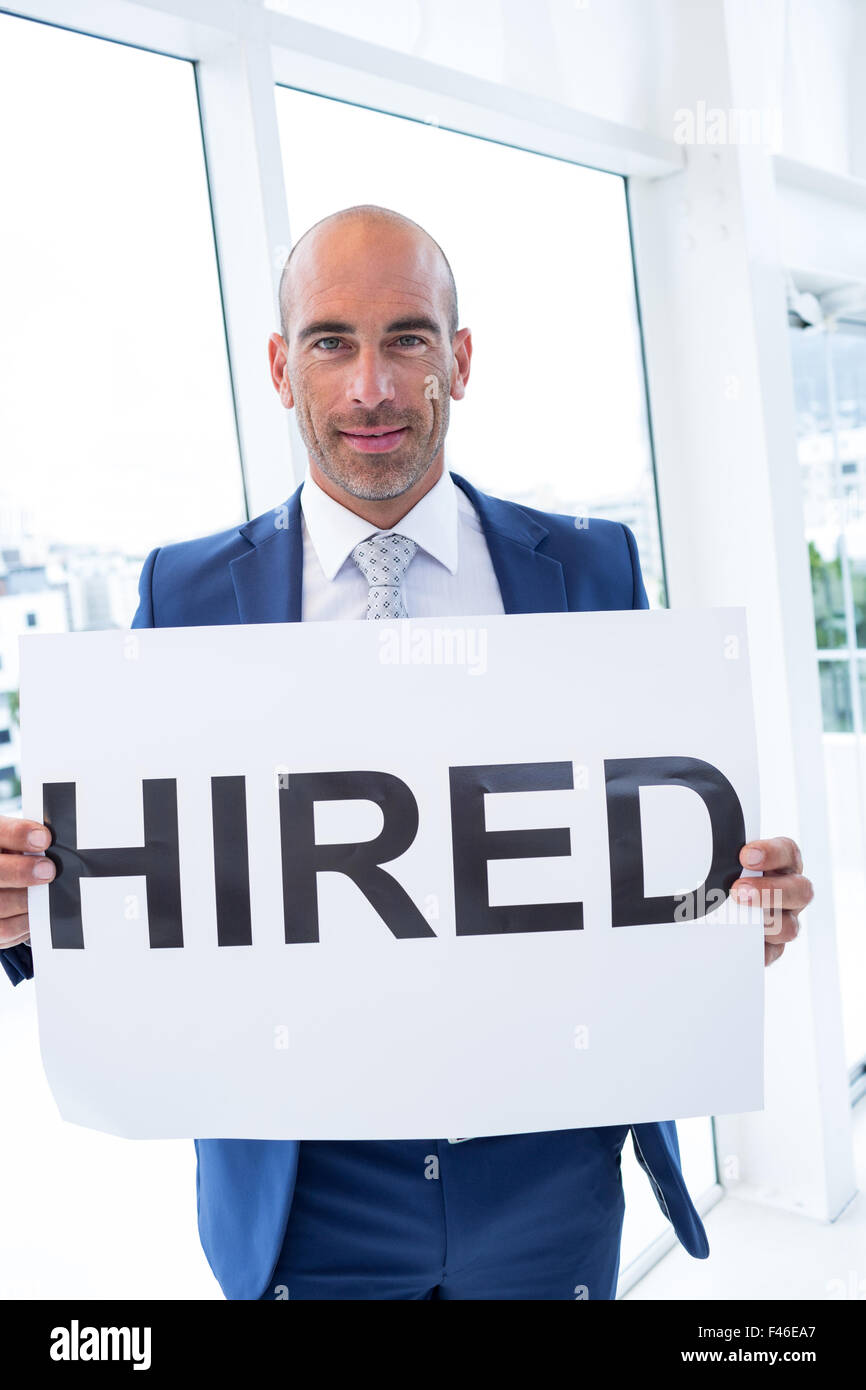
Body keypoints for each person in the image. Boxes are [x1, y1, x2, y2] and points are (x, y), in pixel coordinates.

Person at [0, 205, 812, 1300]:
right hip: (308, 1191)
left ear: (458, 361)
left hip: (545, 1171)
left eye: (408, 339)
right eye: (331, 341)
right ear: (283, 368)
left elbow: (634, 851)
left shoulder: (586, 571)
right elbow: (158, 877)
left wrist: (722, 915)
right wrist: (29, 906)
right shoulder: (186, 595)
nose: (371, 387)